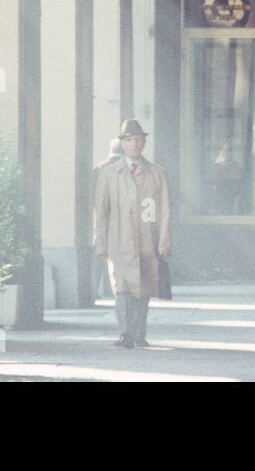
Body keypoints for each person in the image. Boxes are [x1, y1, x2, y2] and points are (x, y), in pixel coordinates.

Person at [94, 119, 173, 349]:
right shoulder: (109, 174)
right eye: (129, 140)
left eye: (138, 140)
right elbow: (102, 211)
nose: (134, 144)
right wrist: (101, 243)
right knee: (122, 288)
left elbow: (165, 209)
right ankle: (125, 333)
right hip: (118, 240)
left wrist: (164, 241)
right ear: (122, 144)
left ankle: (139, 333)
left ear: (144, 142)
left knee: (144, 287)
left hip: (147, 238)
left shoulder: (158, 174)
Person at [93, 138, 124, 302]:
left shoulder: (98, 168)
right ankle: (118, 289)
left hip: (101, 218)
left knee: (99, 253)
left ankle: (96, 289)